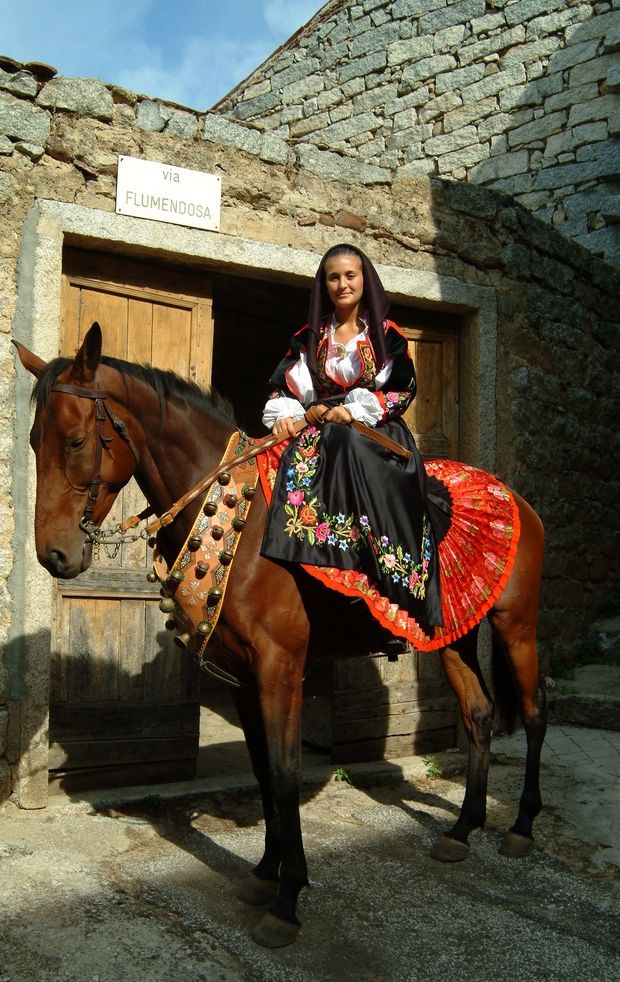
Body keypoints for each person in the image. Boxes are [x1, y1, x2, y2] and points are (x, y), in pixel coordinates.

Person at [260, 243, 448, 635]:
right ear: (324, 285)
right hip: (320, 427)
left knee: (347, 446)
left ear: (365, 280)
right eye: (334, 277)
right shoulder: (308, 337)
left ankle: (380, 571)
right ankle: (306, 562)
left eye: (350, 275)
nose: (342, 284)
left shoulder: (386, 336)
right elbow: (283, 389)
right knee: (281, 459)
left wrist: (353, 411)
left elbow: (401, 390)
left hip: (373, 428)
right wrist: (294, 414)